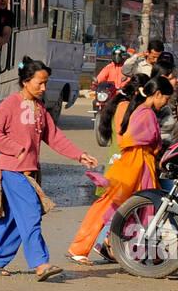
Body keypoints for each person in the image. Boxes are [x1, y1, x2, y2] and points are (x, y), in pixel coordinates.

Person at [0, 57, 97, 280]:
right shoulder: (10, 104)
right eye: (40, 83)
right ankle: (41, 263)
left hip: (31, 172)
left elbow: (54, 137)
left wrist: (79, 155)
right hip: (13, 171)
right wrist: (15, 148)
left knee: (16, 220)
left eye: (46, 83)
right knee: (31, 214)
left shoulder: (40, 109)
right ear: (26, 81)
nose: (44, 88)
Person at [68, 75, 172, 264]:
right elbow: (134, 139)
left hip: (139, 164)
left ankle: (152, 255)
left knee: (143, 209)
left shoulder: (140, 110)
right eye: (165, 98)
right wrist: (158, 146)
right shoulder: (145, 112)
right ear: (157, 94)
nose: (165, 103)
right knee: (118, 206)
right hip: (135, 165)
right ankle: (81, 247)